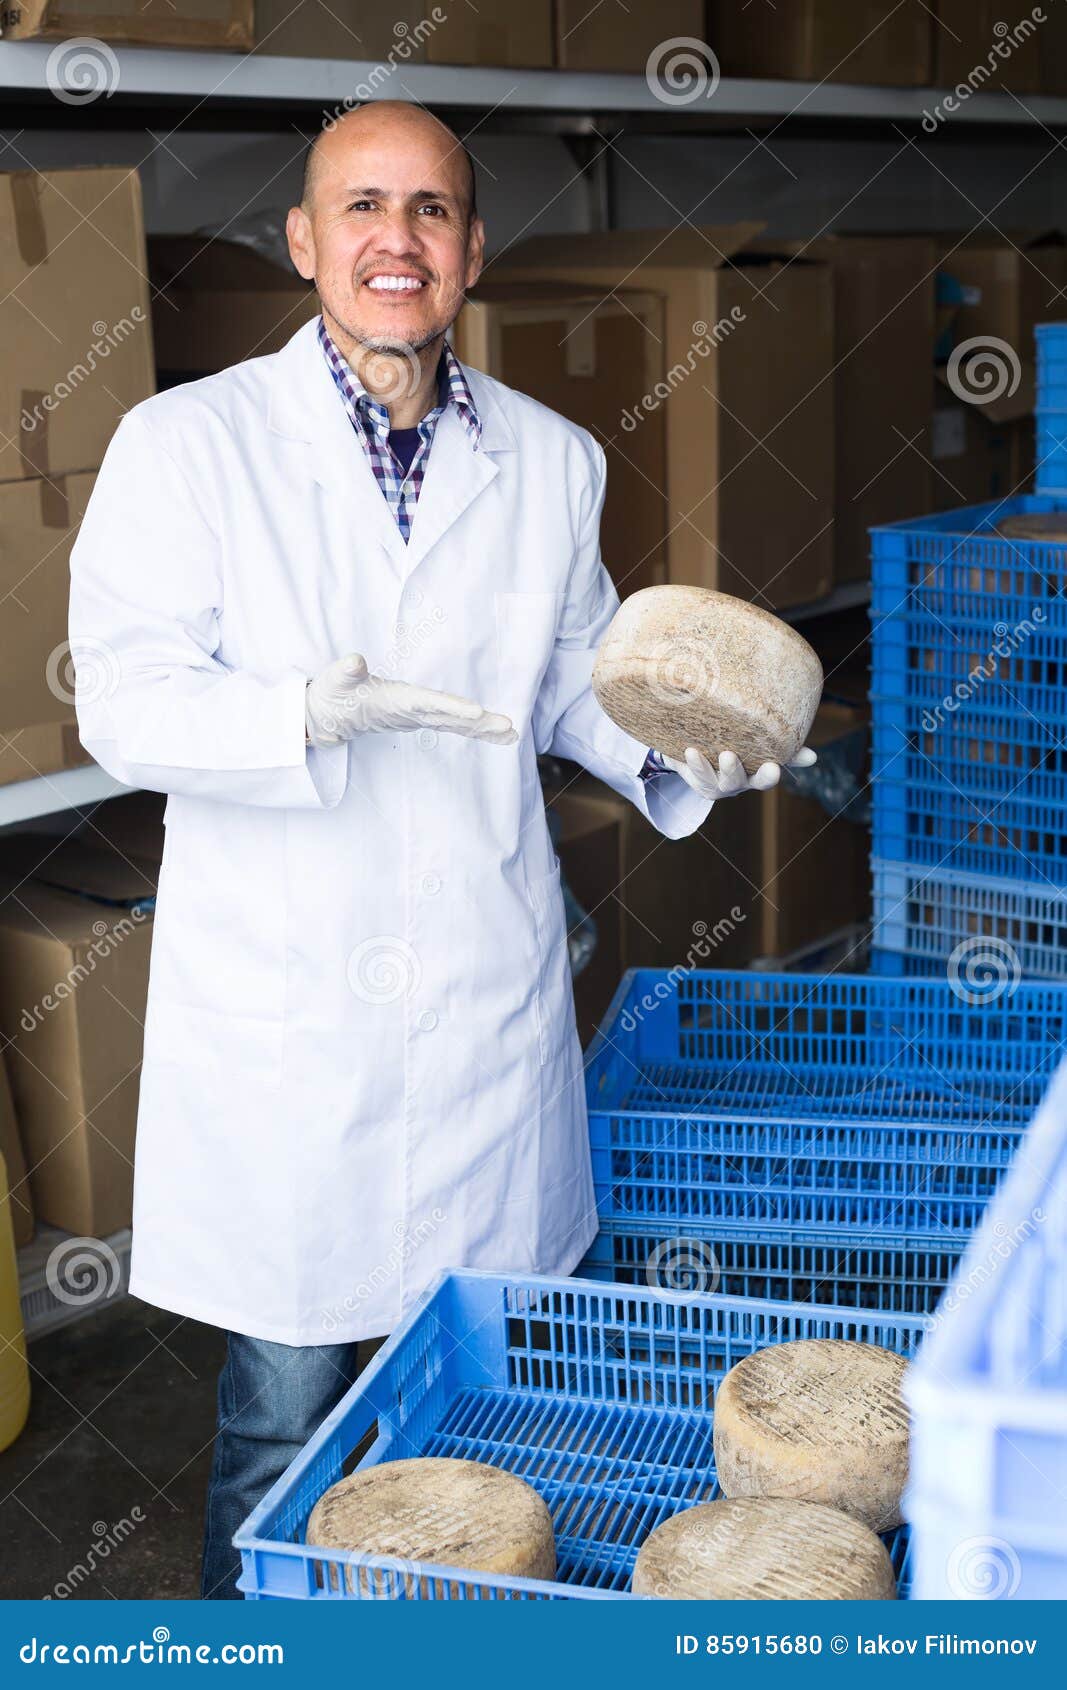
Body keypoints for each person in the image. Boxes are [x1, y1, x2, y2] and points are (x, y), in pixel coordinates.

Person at [68, 101, 814, 1598]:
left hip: (481, 1007)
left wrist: (686, 744)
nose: (393, 240)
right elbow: (126, 703)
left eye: (427, 210)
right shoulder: (189, 446)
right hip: (289, 1042)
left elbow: (568, 676)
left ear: (471, 250)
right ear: (306, 241)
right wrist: (302, 711)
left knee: (487, 1425)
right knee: (284, 1423)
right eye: (361, 207)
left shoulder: (546, 459)